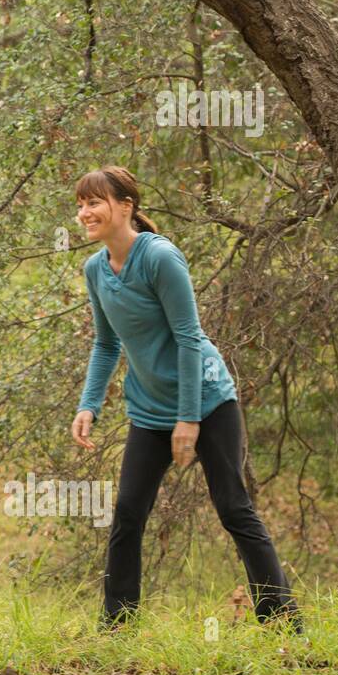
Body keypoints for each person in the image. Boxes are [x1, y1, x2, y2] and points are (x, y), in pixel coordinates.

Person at [70, 166, 302, 633]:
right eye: (80, 204)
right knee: (128, 515)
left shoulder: (160, 258)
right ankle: (117, 626)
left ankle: (281, 622)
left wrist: (189, 419)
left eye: (94, 202)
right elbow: (106, 344)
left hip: (209, 402)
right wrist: (88, 404)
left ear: (125, 207)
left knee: (234, 508)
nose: (84, 212)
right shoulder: (95, 269)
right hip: (149, 411)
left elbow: (189, 338)